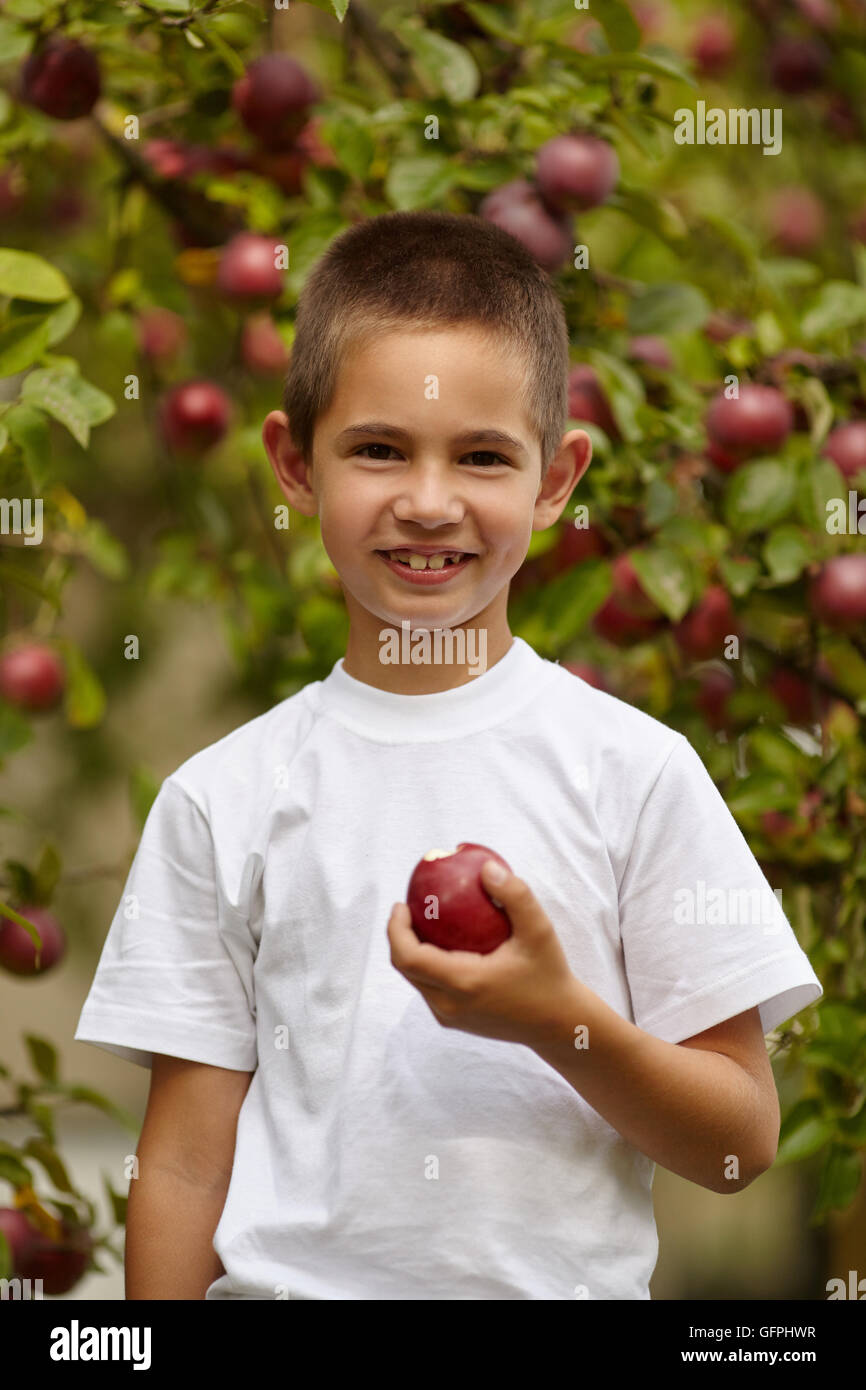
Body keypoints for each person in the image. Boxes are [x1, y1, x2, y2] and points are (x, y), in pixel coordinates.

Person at [74, 210, 822, 1301]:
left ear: (555, 479)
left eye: (480, 457)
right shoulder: (221, 798)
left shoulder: (634, 773)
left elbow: (735, 1142)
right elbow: (186, 1163)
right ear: (294, 462)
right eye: (377, 449)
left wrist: (549, 1015)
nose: (428, 503)